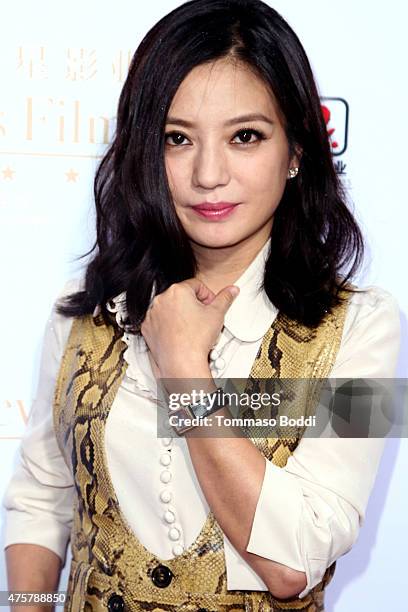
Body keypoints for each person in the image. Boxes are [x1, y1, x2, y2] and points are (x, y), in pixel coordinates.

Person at [3, 0, 400, 610]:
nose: (208, 173)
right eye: (177, 138)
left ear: (296, 149)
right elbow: (42, 494)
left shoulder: (366, 328)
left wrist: (185, 368)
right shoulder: (83, 313)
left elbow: (295, 562)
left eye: (245, 136)